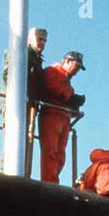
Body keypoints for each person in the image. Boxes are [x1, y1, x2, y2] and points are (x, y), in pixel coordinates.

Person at [39, 52, 86, 183]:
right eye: (76, 66)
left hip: (63, 117)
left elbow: (63, 95)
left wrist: (74, 107)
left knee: (60, 155)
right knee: (51, 151)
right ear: (66, 61)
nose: (76, 70)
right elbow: (53, 88)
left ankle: (52, 180)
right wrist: (72, 99)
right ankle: (49, 181)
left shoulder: (67, 83)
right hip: (52, 115)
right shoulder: (53, 71)